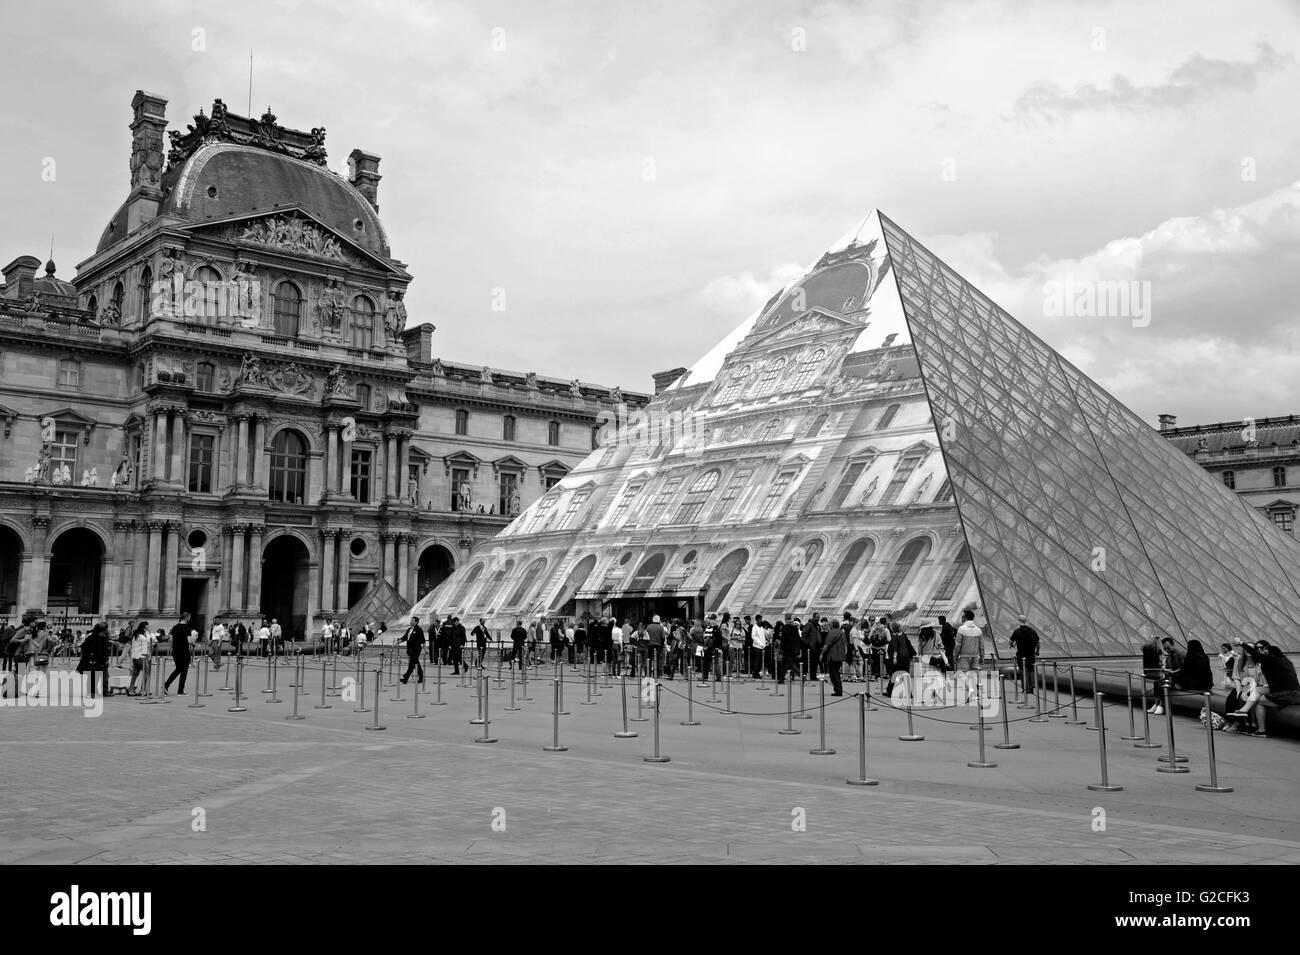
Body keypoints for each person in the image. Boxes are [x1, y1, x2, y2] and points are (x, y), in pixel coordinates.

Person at [1232, 639, 1300, 737]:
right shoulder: (1283, 662)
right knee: (1257, 690)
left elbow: (1258, 656)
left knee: (1260, 702)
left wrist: (1241, 643)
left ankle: (1261, 730)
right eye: (1258, 649)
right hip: (1291, 693)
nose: (1262, 652)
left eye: (1264, 650)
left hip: (1288, 694)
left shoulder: (1272, 659)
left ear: (1271, 653)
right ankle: (1244, 710)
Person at [77, 622, 110, 699]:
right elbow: (84, 647)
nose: (106, 631)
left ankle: (94, 691)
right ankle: (90, 692)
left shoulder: (103, 637)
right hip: (92, 660)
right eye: (105, 629)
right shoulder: (92, 637)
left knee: (97, 677)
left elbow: (104, 651)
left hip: (100, 660)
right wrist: (90, 656)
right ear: (102, 630)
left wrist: (106, 659)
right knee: (91, 677)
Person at [163, 612, 193, 695]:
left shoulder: (175, 627)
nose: (189, 619)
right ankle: (180, 690)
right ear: (186, 618)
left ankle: (167, 684)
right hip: (184, 651)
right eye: (189, 617)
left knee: (179, 669)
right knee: (184, 671)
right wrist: (193, 641)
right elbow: (189, 640)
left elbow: (171, 639)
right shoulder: (187, 627)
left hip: (176, 651)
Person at [1009, 614, 1039, 689]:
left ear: (1019, 621)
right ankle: (1032, 685)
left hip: (1021, 655)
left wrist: (1012, 645)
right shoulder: (1033, 631)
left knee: (1023, 670)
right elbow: (1038, 643)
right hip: (1031, 655)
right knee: (1031, 669)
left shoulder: (1017, 632)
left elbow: (1010, 641)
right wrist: (1037, 651)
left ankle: (1025, 687)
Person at [822, 618, 847, 696]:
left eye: (830, 624)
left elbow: (827, 645)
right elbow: (845, 645)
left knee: (833, 673)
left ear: (832, 625)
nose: (829, 625)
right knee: (837, 672)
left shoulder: (832, 633)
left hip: (833, 655)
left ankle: (838, 690)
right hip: (840, 656)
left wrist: (822, 653)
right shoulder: (842, 632)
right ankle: (839, 689)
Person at [127, 622, 151, 697]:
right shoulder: (143, 637)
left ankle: (131, 690)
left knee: (135, 674)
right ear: (143, 628)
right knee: (146, 673)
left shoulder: (135, 636)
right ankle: (142, 690)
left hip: (134, 657)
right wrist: (147, 657)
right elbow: (146, 646)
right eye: (146, 628)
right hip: (141, 657)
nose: (147, 629)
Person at [400, 616, 425, 684]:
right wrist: (398, 641)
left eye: (413, 621)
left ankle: (405, 677)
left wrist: (425, 650)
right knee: (416, 663)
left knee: (411, 663)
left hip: (416, 650)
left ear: (416, 622)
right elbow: (405, 637)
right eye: (411, 620)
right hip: (410, 649)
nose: (411, 621)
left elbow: (423, 640)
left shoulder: (419, 630)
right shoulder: (409, 629)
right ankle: (421, 677)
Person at [778, 614, 802, 685]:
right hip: (793, 649)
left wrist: (781, 648)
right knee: (784, 664)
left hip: (787, 649)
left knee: (790, 664)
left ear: (785, 618)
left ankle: (802, 675)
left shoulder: (785, 627)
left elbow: (783, 639)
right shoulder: (795, 627)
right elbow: (797, 638)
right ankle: (781, 679)